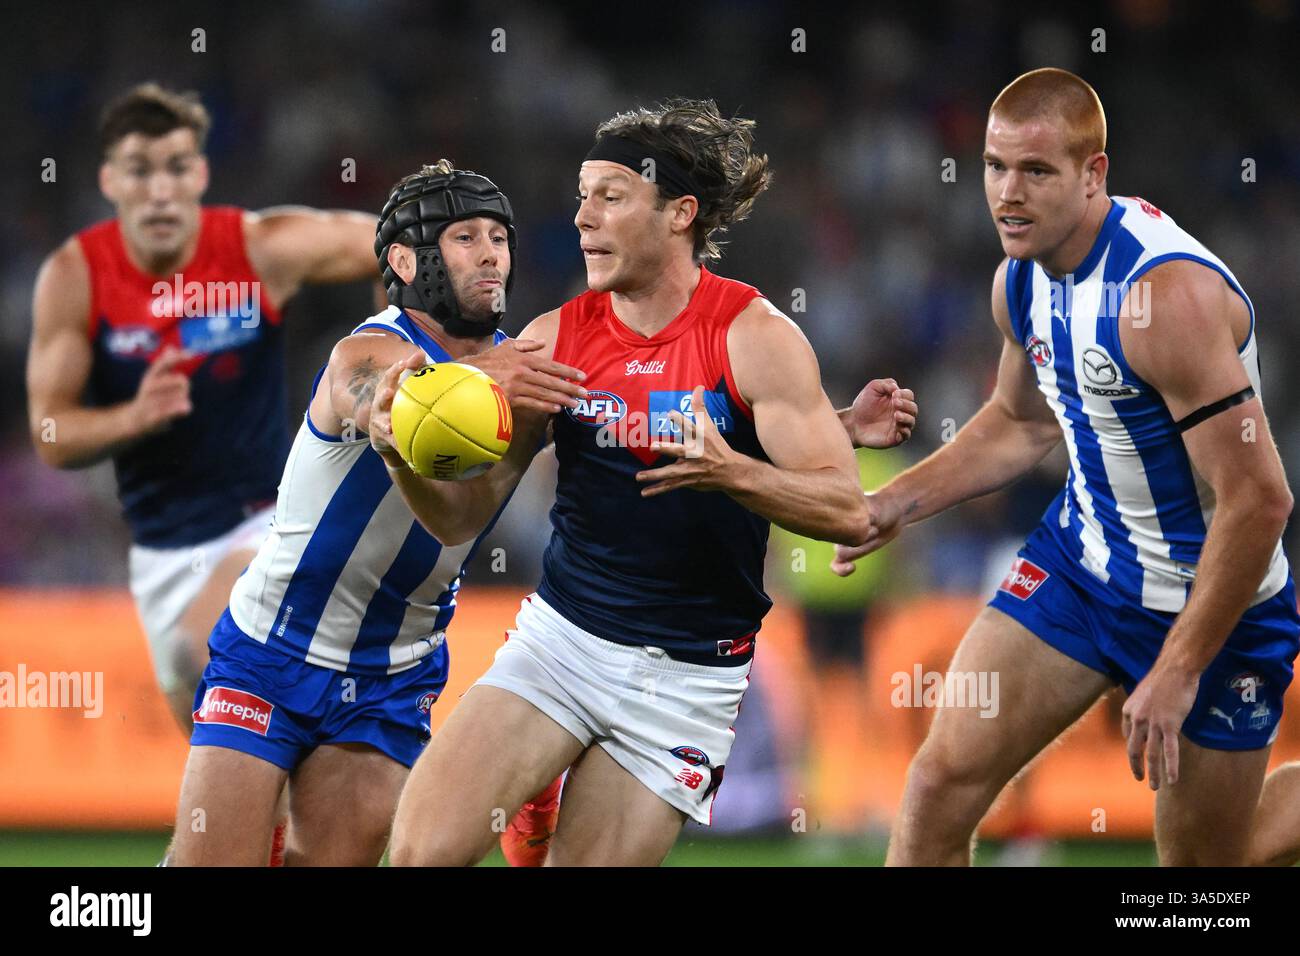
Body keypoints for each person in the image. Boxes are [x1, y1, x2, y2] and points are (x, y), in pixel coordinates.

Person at [380, 98, 913, 867]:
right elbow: (462, 520)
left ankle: (547, 794)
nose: (582, 218)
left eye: (610, 196)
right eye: (581, 197)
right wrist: (403, 455)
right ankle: (536, 782)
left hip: (690, 676)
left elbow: (845, 508)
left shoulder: (756, 337)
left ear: (679, 213)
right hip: (562, 643)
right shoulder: (555, 339)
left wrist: (733, 473)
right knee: (421, 855)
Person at [833, 68, 1298, 866]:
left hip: (1214, 613)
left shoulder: (1165, 297)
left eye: (1036, 171)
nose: (1008, 194)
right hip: (1082, 573)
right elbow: (1019, 423)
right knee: (939, 785)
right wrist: (896, 502)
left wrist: (1179, 666)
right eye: (993, 166)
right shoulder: (1018, 279)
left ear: (1094, 175)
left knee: (1202, 887)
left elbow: (1258, 501)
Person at [167, 161, 587, 865]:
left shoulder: (526, 383)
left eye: (498, 237)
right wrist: (428, 407)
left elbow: (459, 522)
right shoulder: (365, 351)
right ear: (405, 259)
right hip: (271, 650)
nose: (491, 254)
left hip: (393, 671)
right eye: (463, 237)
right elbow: (387, 394)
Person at [26, 83, 380, 732]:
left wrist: (386, 363)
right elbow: (51, 434)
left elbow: (391, 243)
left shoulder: (255, 248)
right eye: (140, 170)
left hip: (271, 521)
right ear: (110, 179)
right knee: (219, 754)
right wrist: (135, 416)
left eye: (177, 167)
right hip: (162, 552)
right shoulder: (76, 277)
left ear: (202, 173)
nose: (160, 189)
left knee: (202, 654)